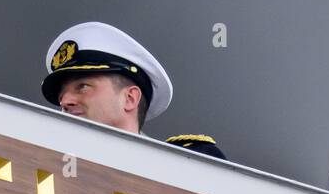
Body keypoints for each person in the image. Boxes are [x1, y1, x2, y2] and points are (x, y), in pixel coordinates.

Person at [41, 21, 227, 159]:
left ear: (130, 98)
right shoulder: (46, 167)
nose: (65, 102)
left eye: (82, 87)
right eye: (61, 95)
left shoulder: (188, 163)